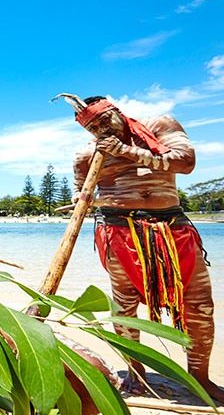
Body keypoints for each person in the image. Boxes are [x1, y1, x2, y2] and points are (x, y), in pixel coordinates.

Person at [66, 94, 222, 401]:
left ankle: (201, 379)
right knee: (124, 306)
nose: (101, 131)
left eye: (104, 121)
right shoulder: (86, 155)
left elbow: (186, 162)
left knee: (199, 306)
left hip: (173, 230)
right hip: (120, 235)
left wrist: (126, 151)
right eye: (93, 128)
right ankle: (135, 375)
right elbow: (80, 193)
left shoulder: (161, 126)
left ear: (118, 112)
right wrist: (80, 201)